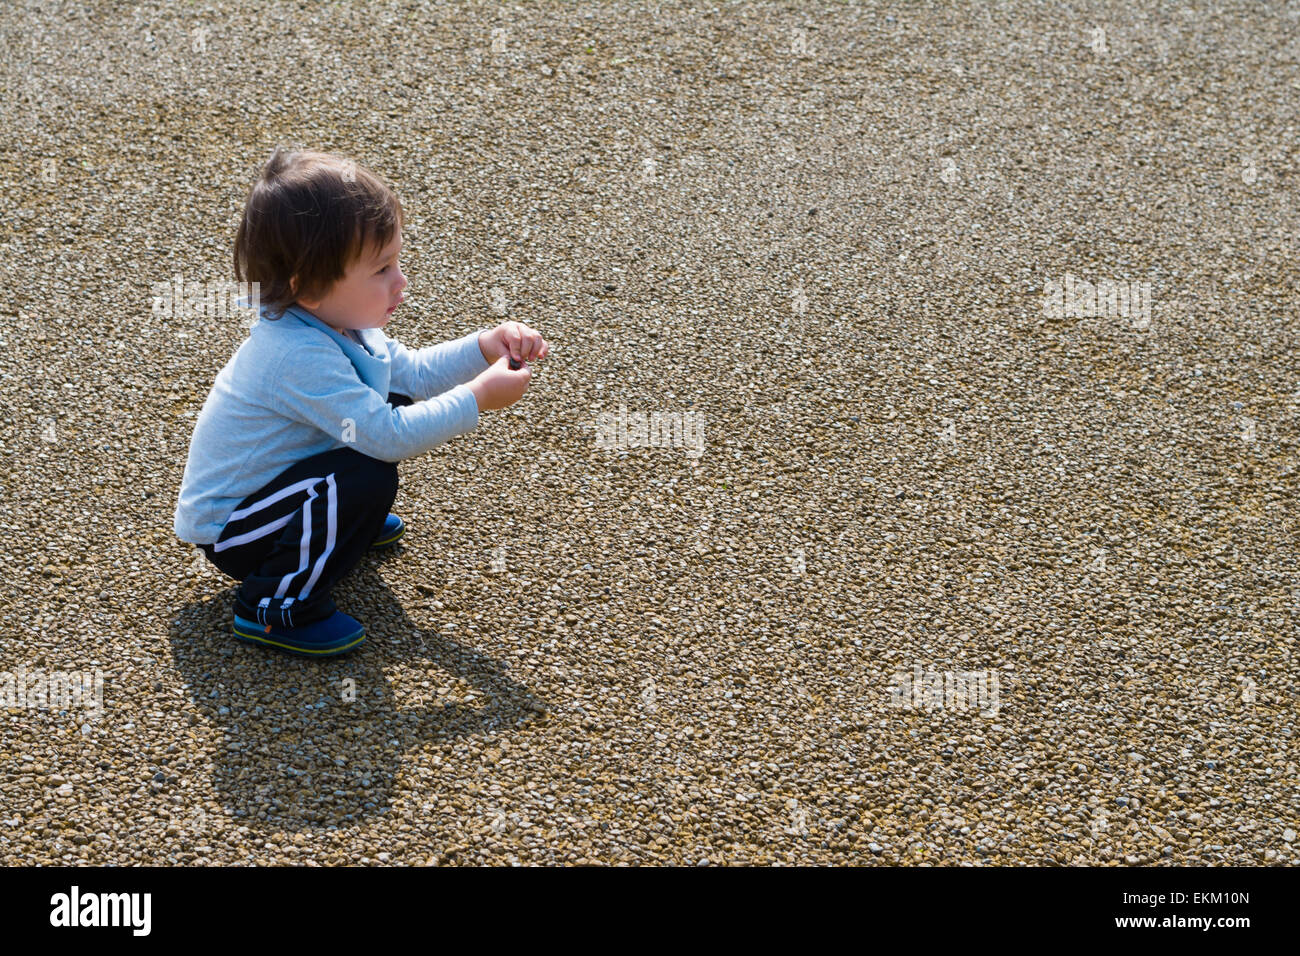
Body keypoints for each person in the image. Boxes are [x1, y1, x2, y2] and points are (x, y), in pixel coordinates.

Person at [172, 147, 548, 657]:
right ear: (308, 288)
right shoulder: (294, 353)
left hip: (276, 494)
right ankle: (274, 606)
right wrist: (477, 399)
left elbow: (411, 373)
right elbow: (387, 436)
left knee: (383, 407)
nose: (400, 281)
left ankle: (337, 528)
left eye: (396, 261)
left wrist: (485, 345)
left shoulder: (343, 325)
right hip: (236, 529)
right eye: (380, 270)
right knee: (366, 471)